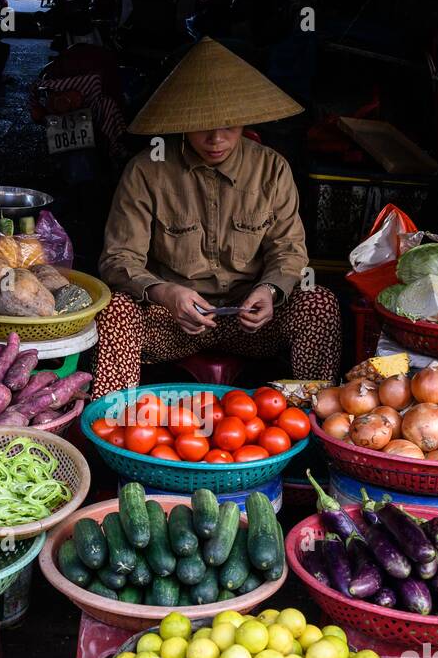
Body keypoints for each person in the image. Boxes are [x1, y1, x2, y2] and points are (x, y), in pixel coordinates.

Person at [91, 37, 340, 399]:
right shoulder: (147, 170)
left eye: (229, 124)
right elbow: (118, 260)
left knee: (320, 302)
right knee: (113, 307)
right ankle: (111, 424)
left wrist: (269, 291)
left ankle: (311, 424)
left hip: (252, 322)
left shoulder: (271, 169)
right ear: (181, 121)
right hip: (173, 321)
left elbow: (289, 251)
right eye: (202, 125)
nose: (216, 138)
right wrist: (166, 293)